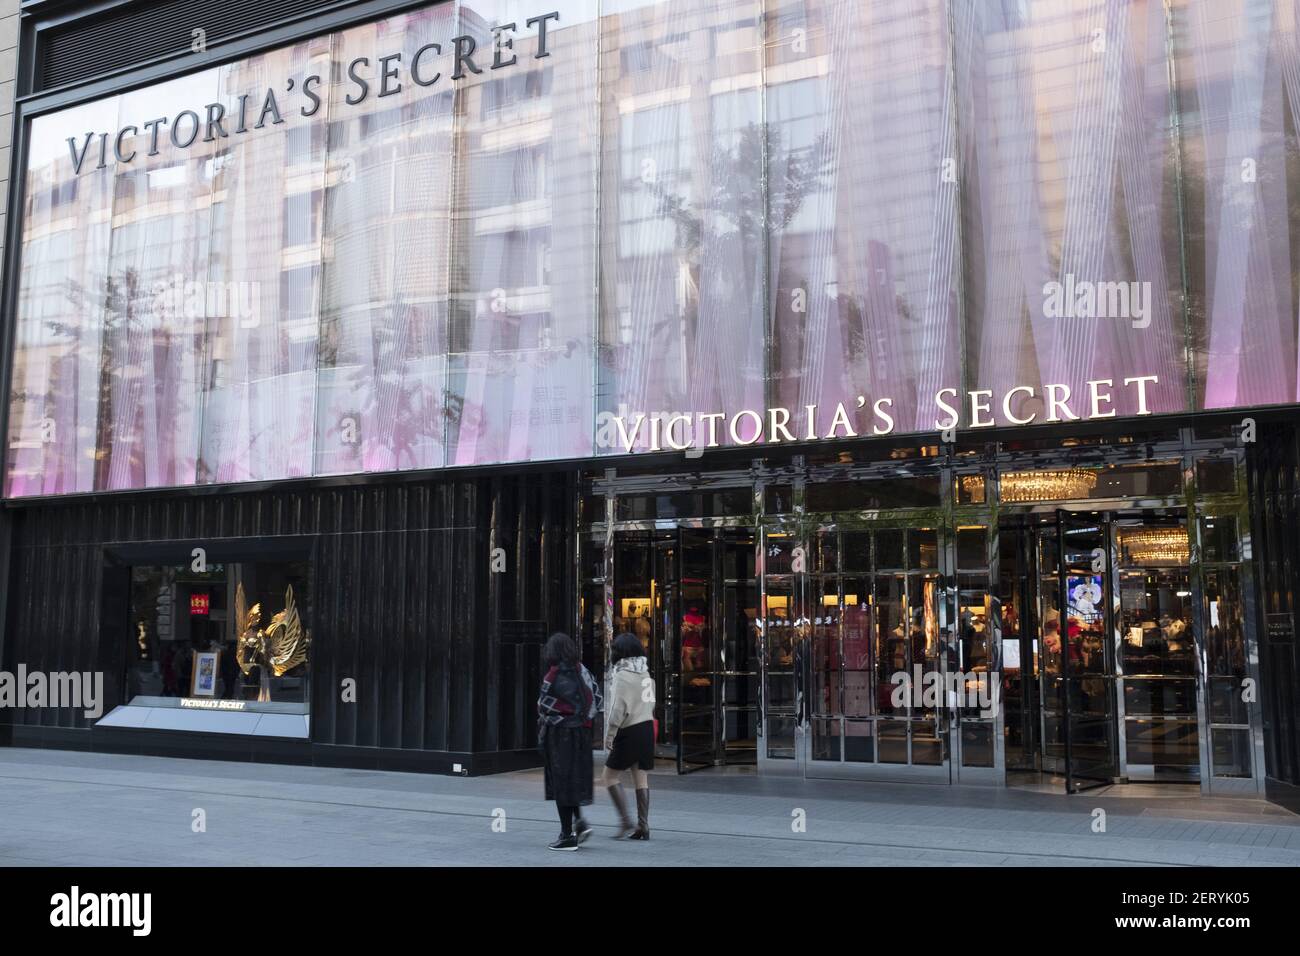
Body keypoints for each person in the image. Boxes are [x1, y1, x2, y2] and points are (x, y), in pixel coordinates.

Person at [537, 632, 601, 851]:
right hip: (582, 734)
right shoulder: (583, 671)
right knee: (574, 780)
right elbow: (597, 700)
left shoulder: (552, 676)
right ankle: (579, 823)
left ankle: (567, 836)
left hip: (560, 735)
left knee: (561, 782)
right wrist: (583, 721)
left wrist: (555, 720)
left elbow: (544, 706)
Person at [601, 632, 656, 840]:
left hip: (629, 730)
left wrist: (609, 735)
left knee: (608, 776)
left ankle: (625, 821)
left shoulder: (621, 676)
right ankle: (643, 826)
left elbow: (617, 710)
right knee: (641, 778)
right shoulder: (646, 675)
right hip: (646, 728)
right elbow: (651, 703)